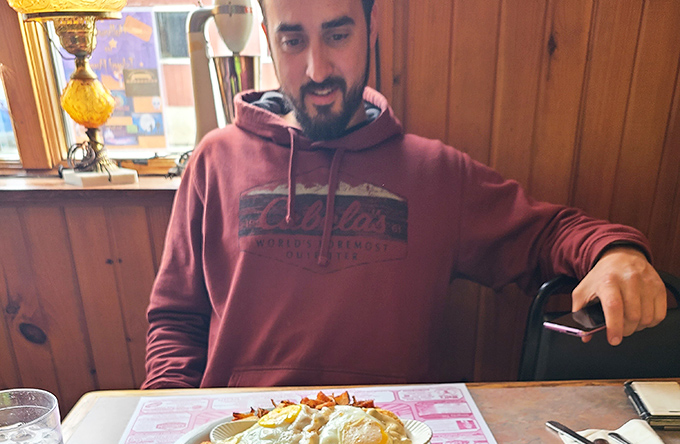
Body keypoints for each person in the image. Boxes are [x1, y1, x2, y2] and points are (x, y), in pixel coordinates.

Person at [143, 0, 667, 390]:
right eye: (293, 41)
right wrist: (165, 418)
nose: (317, 69)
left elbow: (546, 234)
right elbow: (175, 320)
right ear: (267, 39)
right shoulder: (215, 159)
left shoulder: (436, 172)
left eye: (337, 35)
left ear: (371, 28)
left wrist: (614, 252)